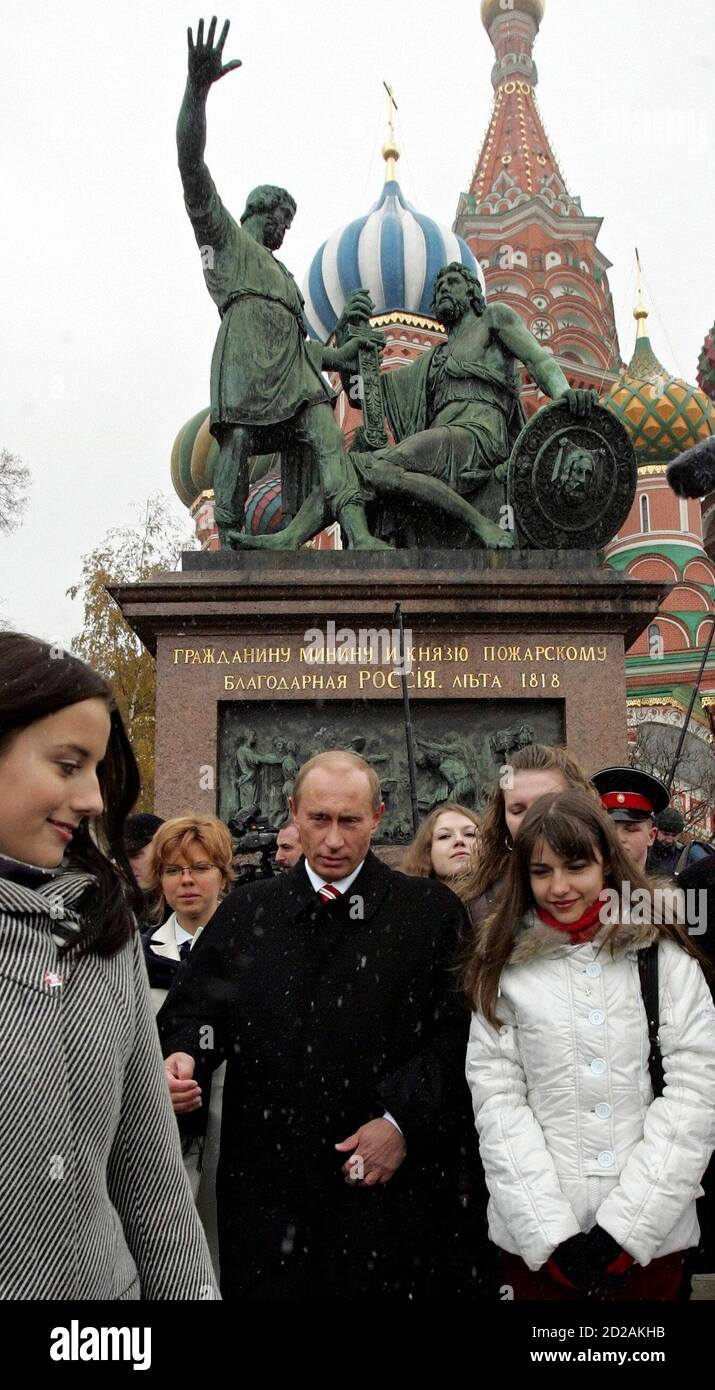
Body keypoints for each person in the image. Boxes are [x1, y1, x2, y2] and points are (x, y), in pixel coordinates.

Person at [158, 749, 476, 1300]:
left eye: (350, 821)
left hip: (390, 1203)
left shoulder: (427, 913)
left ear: (377, 817)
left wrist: (401, 1121)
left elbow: (461, 1037)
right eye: (319, 819)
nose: (333, 840)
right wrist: (183, 1058)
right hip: (268, 1206)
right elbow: (193, 1015)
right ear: (293, 813)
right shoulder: (247, 914)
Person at [0, 632, 218, 1299]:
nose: (95, 799)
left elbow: (152, 1181)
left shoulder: (105, 934)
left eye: (97, 769)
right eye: (68, 765)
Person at [464, 787, 715, 1301]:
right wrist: (549, 1234)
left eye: (576, 866)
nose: (559, 887)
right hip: (537, 1252)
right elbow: (499, 1108)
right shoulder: (502, 969)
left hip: (650, 1245)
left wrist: (628, 1228)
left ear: (607, 864)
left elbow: (695, 1098)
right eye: (541, 871)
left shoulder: (663, 959)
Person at [177, 17, 385, 550]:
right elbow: (191, 165)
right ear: (261, 211)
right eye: (283, 220)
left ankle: (358, 533)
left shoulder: (287, 279)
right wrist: (196, 92)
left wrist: (346, 352)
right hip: (245, 358)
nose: (285, 230)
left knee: (326, 439)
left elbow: (305, 350)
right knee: (238, 442)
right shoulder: (226, 240)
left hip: (292, 376)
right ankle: (228, 534)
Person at [461, 743, 594, 927]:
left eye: (546, 803)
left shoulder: (625, 898)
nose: (533, 818)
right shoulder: (478, 908)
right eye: (518, 810)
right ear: (503, 819)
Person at [141, 813, 235, 1012]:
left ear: (223, 877)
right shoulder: (141, 954)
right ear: (160, 880)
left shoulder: (251, 946)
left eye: (200, 868)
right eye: (173, 870)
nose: (186, 879)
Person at [591, 765, 669, 873]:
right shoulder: (580, 887)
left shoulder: (666, 889)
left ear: (651, 836)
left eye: (630, 829)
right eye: (609, 828)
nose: (618, 838)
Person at [401, 803, 480, 901]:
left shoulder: (503, 900)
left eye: (469, 834)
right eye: (445, 836)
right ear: (428, 851)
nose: (459, 840)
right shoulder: (407, 904)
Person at [649, 806, 711, 877]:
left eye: (674, 835)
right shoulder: (642, 850)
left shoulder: (684, 857)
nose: (669, 840)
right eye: (665, 834)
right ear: (655, 831)